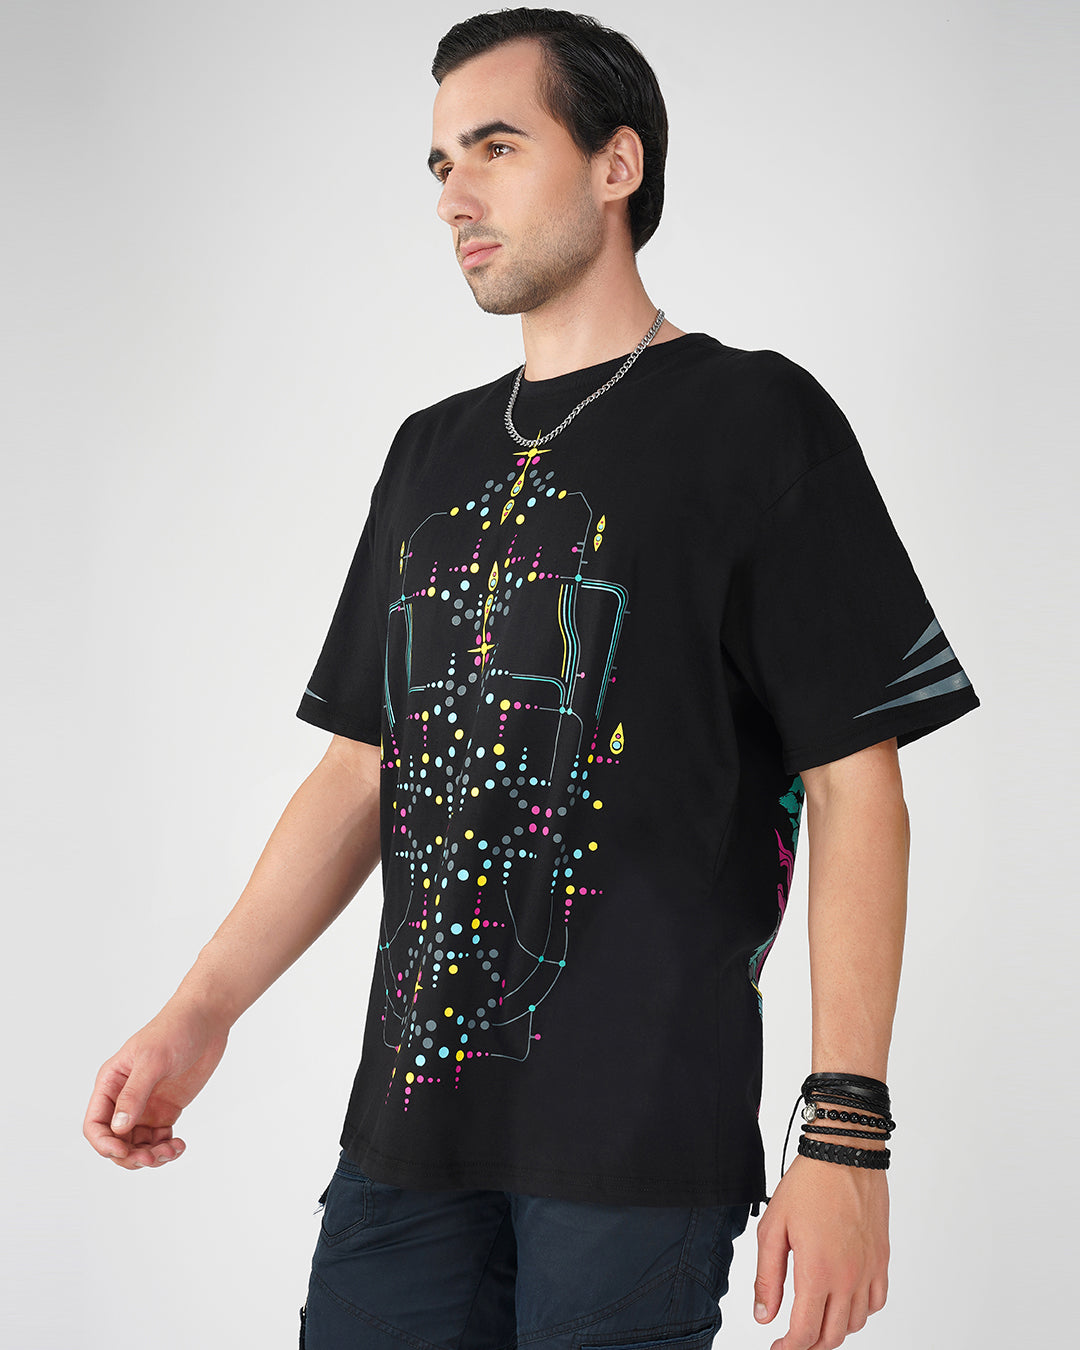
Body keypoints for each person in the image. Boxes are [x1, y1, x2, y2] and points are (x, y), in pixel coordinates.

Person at [84, 9, 981, 1349]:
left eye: (496, 147)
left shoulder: (757, 417)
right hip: (408, 1139)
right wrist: (197, 1012)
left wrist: (846, 1133)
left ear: (618, 164)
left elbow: (857, 782)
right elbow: (362, 768)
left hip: (639, 1150)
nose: (456, 196)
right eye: (441, 163)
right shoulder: (428, 452)